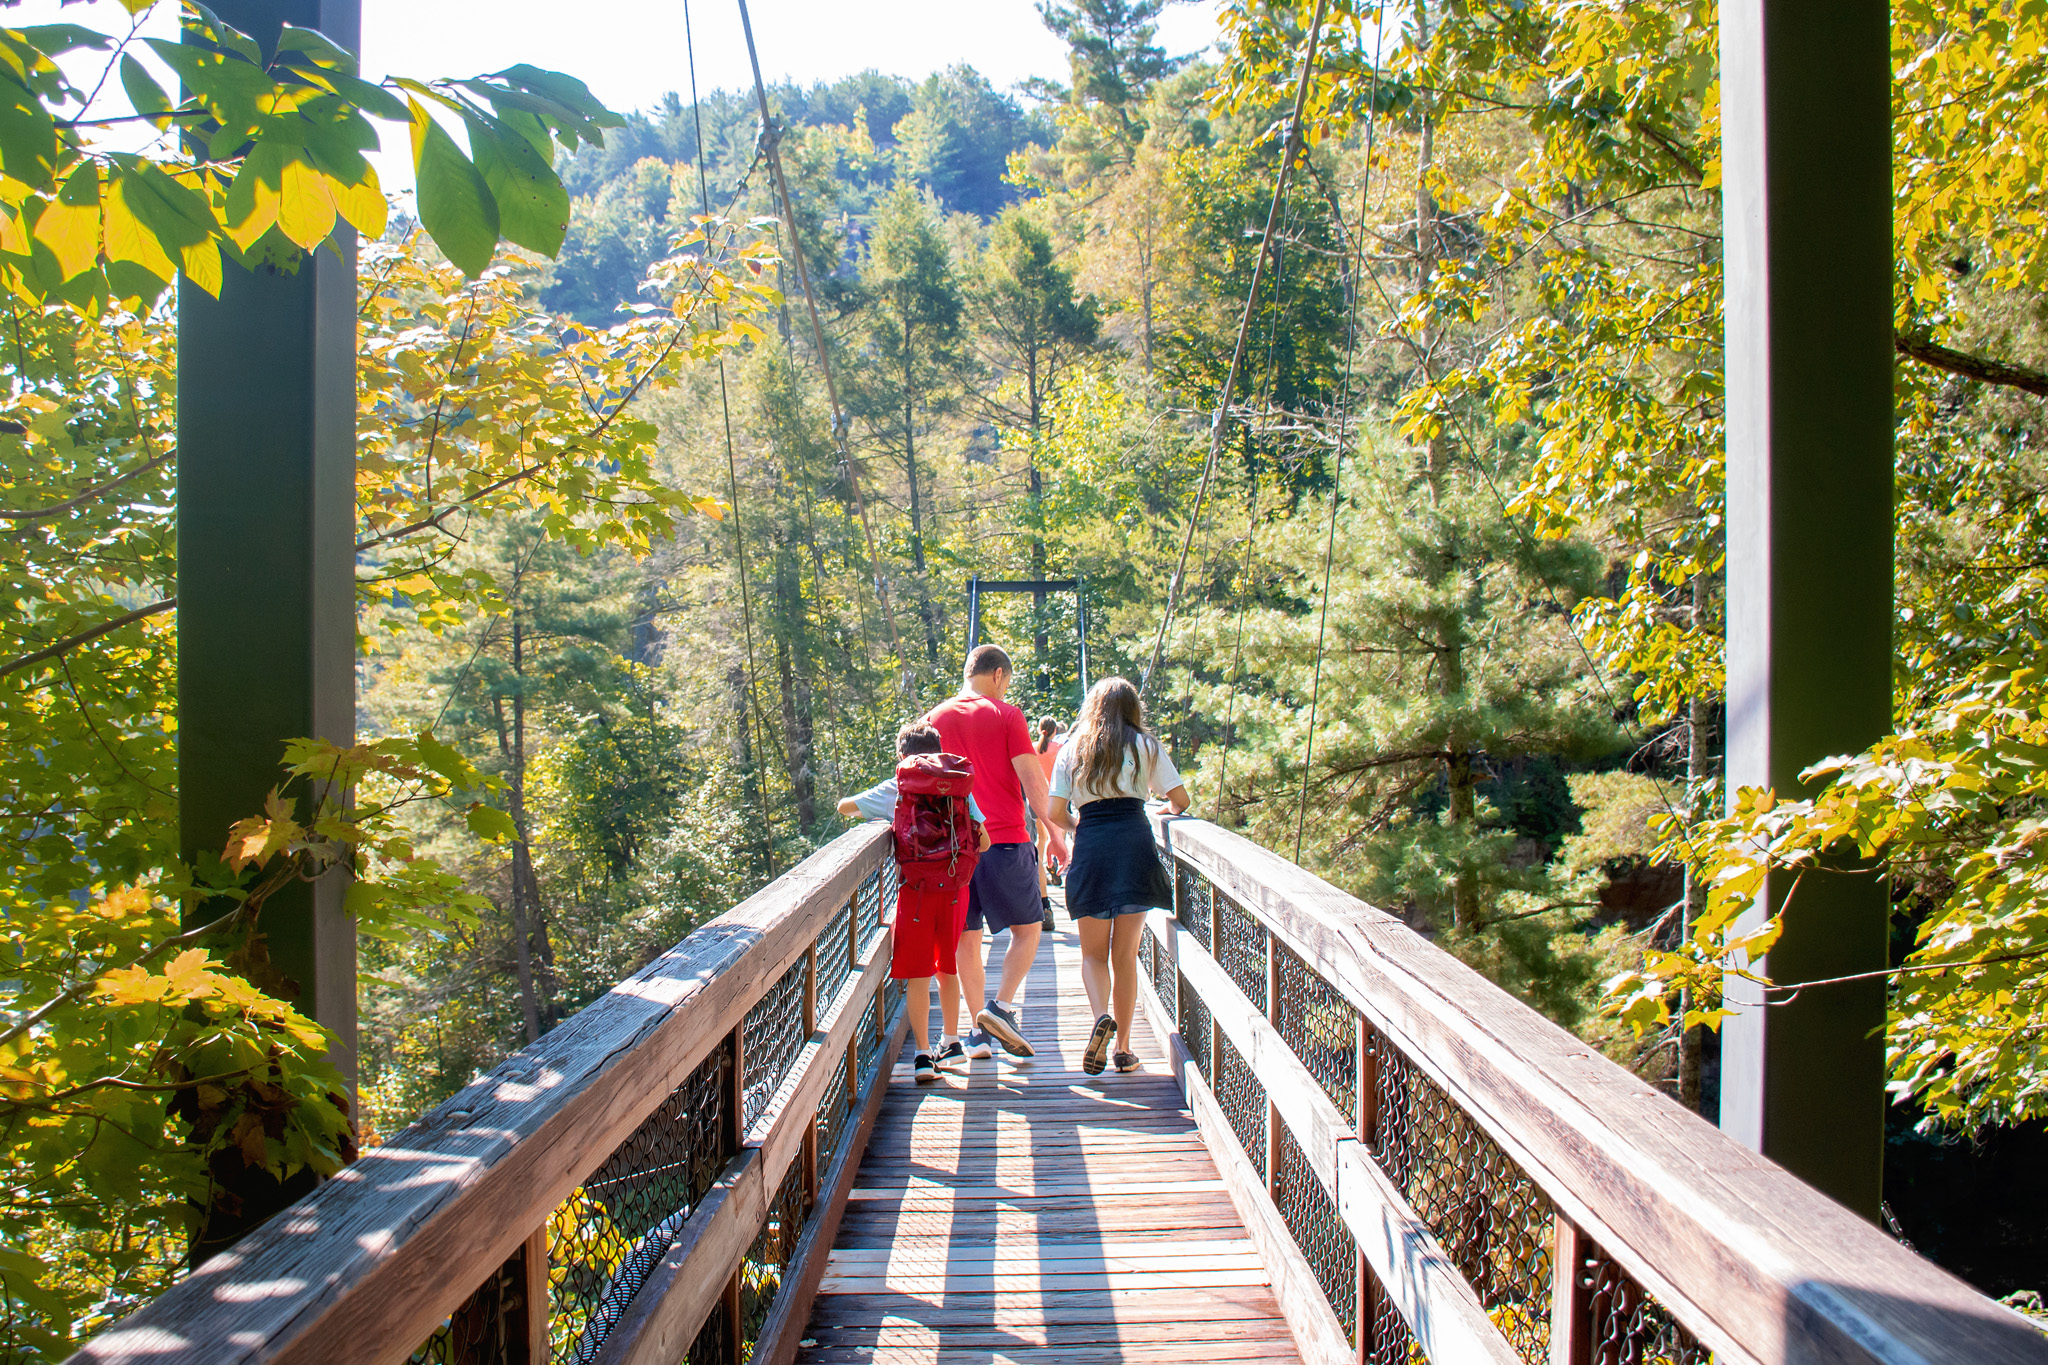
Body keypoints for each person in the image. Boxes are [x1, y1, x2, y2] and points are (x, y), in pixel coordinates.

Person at [926, 644, 1071, 1061]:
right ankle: (1001, 1007)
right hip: (1006, 839)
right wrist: (1055, 835)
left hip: (953, 847)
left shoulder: (934, 718)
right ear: (999, 676)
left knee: (965, 939)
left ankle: (977, 1033)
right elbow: (1032, 781)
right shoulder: (1006, 715)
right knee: (1028, 929)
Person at [1047, 677, 1190, 1076]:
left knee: (1093, 954)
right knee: (1125, 955)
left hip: (1092, 846)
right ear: (1133, 709)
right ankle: (1124, 1051)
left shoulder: (1071, 748)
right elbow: (1180, 801)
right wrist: (1160, 811)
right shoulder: (1146, 746)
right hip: (1134, 844)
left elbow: (1056, 813)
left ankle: (1098, 1019)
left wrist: (1080, 827)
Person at [836, 720, 990, 1082]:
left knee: (919, 973)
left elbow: (846, 808)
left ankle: (922, 1055)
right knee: (947, 967)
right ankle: (952, 1043)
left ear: (902, 756)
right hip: (954, 889)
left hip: (915, 891)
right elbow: (982, 841)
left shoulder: (899, 785)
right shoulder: (957, 786)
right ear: (940, 750)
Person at [1034, 716, 1064, 928]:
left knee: (1041, 839)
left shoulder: (1032, 749)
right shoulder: (1060, 749)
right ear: (1055, 731)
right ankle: (1054, 865)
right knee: (1056, 838)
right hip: (1056, 800)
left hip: (1035, 800)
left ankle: (1045, 868)